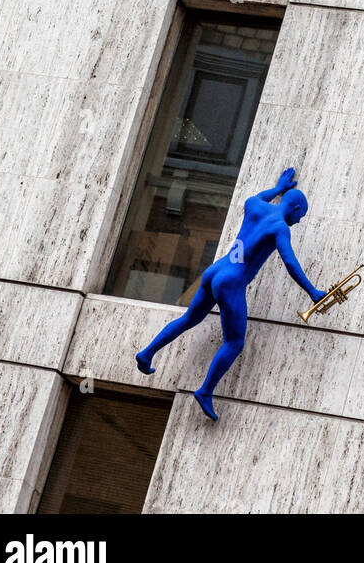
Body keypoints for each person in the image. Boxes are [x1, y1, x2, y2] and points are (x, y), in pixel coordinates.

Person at [136, 168, 325, 421]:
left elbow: (260, 196)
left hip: (215, 270)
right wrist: (311, 290)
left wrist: (279, 188)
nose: (300, 221)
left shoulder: (254, 205)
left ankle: (147, 352)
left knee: (189, 319)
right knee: (235, 342)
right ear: (296, 209)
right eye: (302, 216)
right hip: (232, 280)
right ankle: (205, 391)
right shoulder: (280, 227)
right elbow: (290, 263)